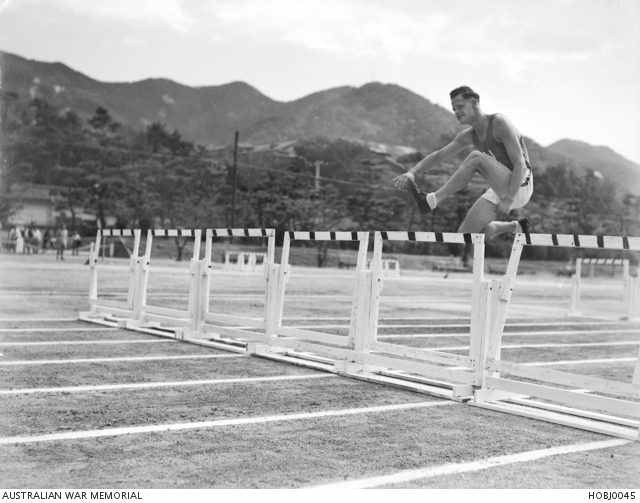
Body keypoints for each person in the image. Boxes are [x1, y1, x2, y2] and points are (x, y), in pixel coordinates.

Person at [393, 86, 533, 239]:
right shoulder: (468, 136)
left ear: (474, 103)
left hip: (520, 185)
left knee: (476, 158)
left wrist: (509, 200)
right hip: (500, 187)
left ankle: (433, 200)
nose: (456, 112)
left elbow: (520, 164)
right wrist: (412, 172)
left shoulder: (499, 122)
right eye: (453, 109)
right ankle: (516, 226)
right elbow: (439, 155)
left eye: (460, 107)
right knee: (465, 235)